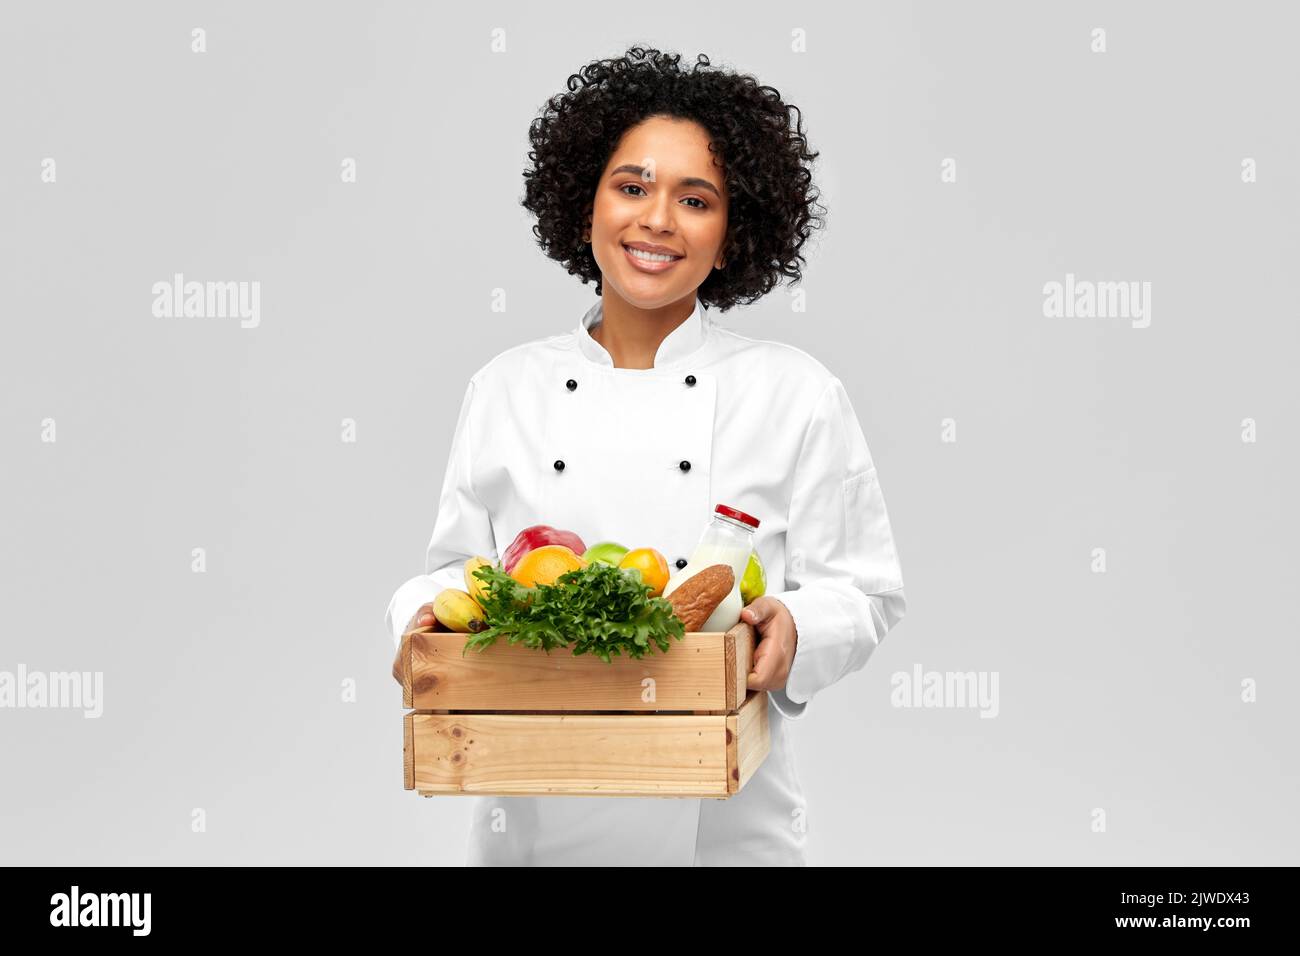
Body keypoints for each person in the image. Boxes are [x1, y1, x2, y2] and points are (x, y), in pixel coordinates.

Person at [385, 46, 906, 866]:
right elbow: (457, 570)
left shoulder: (794, 391)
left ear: (732, 235)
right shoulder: (506, 388)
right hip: (538, 809)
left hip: (728, 822)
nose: (657, 219)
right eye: (631, 188)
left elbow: (868, 592)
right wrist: (419, 615)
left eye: (695, 200)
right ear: (584, 206)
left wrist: (795, 626)